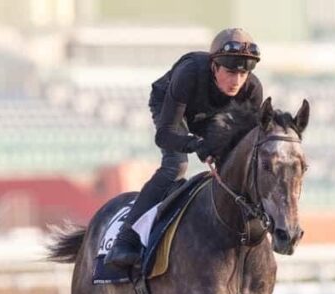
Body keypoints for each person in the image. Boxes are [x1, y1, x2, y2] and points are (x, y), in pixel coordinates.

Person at [104, 27, 264, 269]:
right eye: (231, 72)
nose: (237, 82)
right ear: (214, 66)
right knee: (176, 165)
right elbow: (164, 135)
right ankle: (125, 240)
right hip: (171, 106)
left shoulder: (252, 90)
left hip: (210, 114)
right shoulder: (190, 72)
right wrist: (195, 144)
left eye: (243, 74)